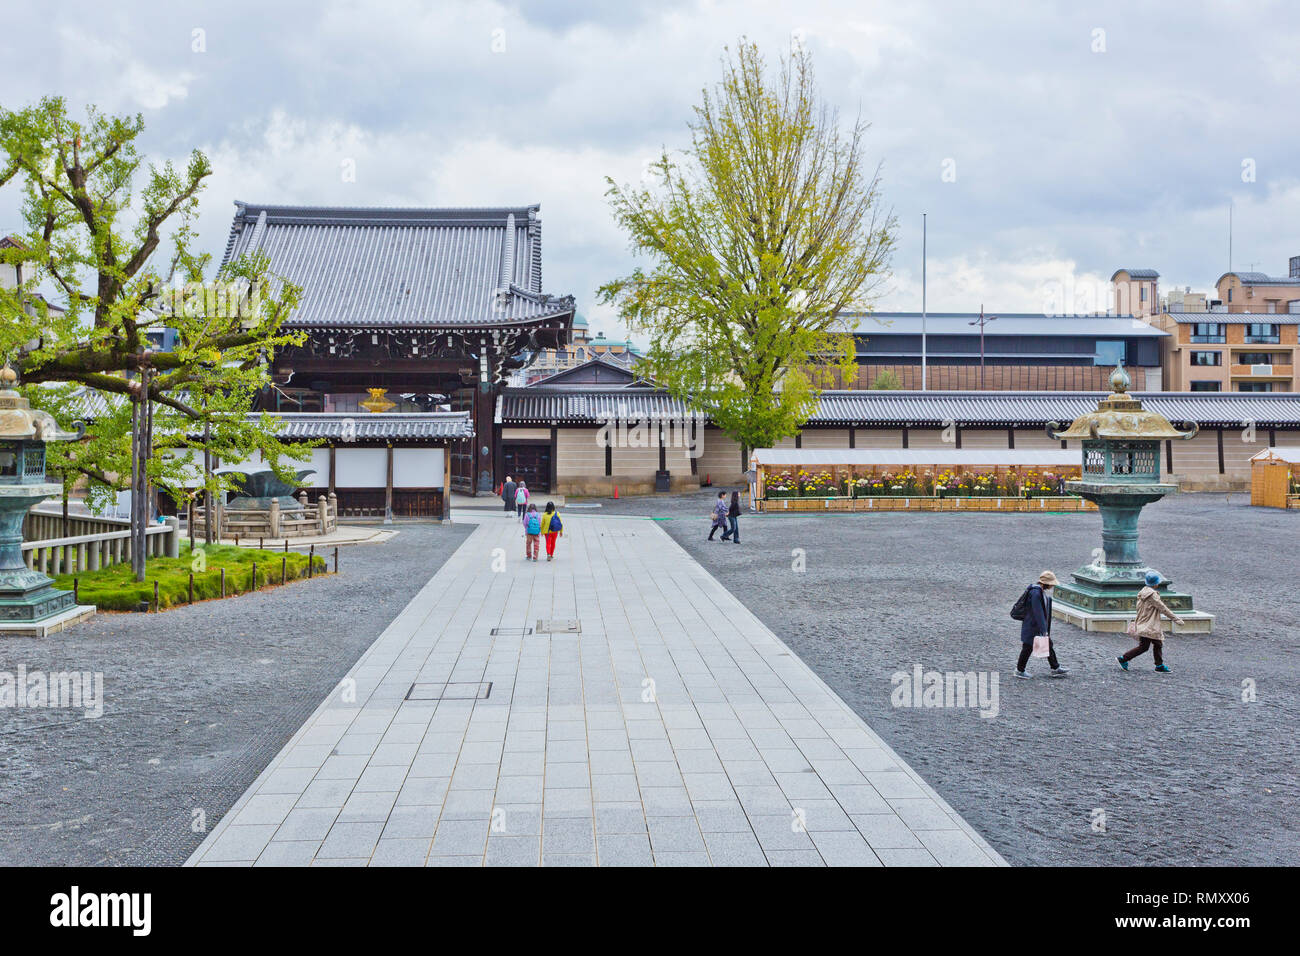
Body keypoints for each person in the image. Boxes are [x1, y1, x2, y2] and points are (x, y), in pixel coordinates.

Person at [1119, 572, 1180, 672]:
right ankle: (1124, 658)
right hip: (1150, 625)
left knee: (1152, 645)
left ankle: (1158, 665)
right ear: (1155, 584)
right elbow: (1163, 608)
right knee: (1151, 645)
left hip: (1144, 623)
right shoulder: (1153, 595)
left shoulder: (1142, 592)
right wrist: (1176, 619)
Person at [1016, 570, 1070, 678]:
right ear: (1046, 583)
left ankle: (1055, 667)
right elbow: (1038, 612)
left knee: (1048, 644)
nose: (1052, 586)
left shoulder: (1037, 591)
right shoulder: (1036, 593)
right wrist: (1043, 629)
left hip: (1033, 625)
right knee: (1027, 647)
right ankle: (1019, 670)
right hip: (1033, 626)